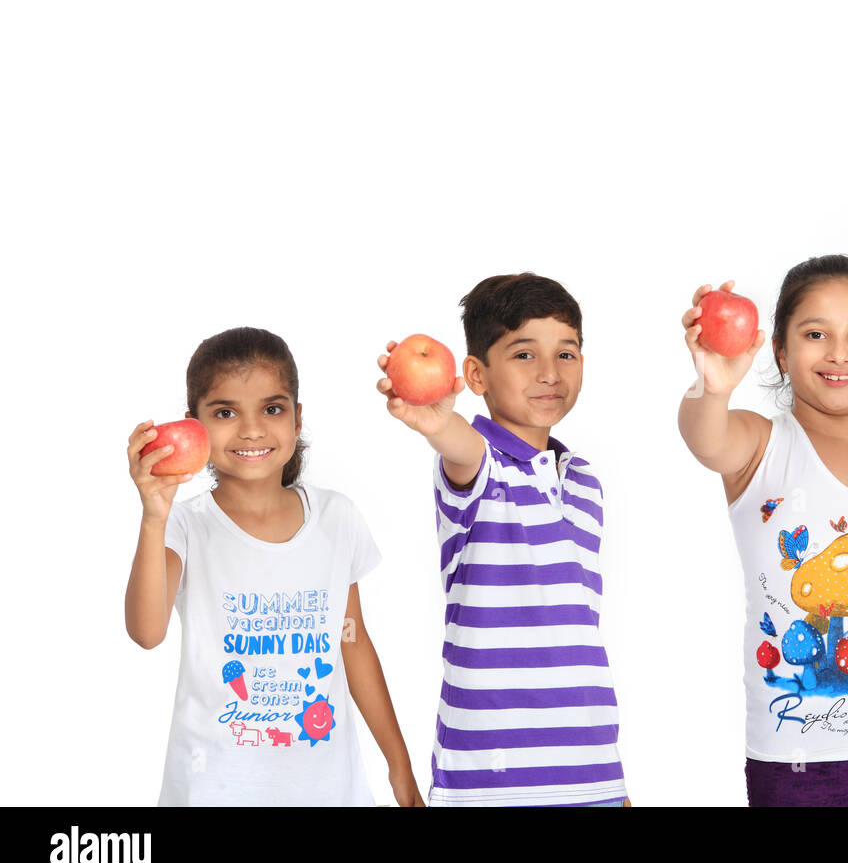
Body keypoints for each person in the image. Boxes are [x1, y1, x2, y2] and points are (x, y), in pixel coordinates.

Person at [678, 258, 848, 806]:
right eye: (814, 334)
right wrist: (711, 386)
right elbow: (704, 438)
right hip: (792, 761)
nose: (838, 352)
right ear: (780, 351)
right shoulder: (757, 446)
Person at [126, 326, 422, 806]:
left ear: (297, 419)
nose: (251, 429)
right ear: (193, 424)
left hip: (326, 792)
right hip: (213, 792)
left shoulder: (335, 518)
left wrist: (400, 768)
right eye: (225, 412)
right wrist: (153, 515)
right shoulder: (184, 526)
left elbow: (352, 641)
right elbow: (146, 632)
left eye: (272, 408)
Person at [377, 273, 628, 807]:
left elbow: (580, 636)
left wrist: (613, 781)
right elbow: (461, 447)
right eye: (523, 355)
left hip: (590, 772)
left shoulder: (584, 479)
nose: (549, 373)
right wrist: (435, 421)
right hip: (488, 781)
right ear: (476, 375)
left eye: (567, 353)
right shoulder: (480, 464)